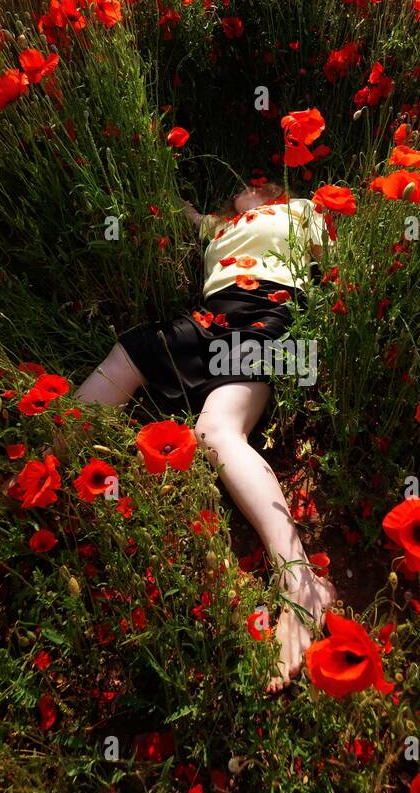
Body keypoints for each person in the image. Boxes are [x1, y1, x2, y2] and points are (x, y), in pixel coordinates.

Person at [70, 179, 335, 692]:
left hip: (269, 307)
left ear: (279, 190)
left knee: (214, 429)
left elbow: (334, 263)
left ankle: (299, 581)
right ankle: (49, 457)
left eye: (262, 182)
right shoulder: (217, 226)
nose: (249, 186)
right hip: (207, 318)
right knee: (135, 350)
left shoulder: (302, 210)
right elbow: (180, 206)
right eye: (240, 184)